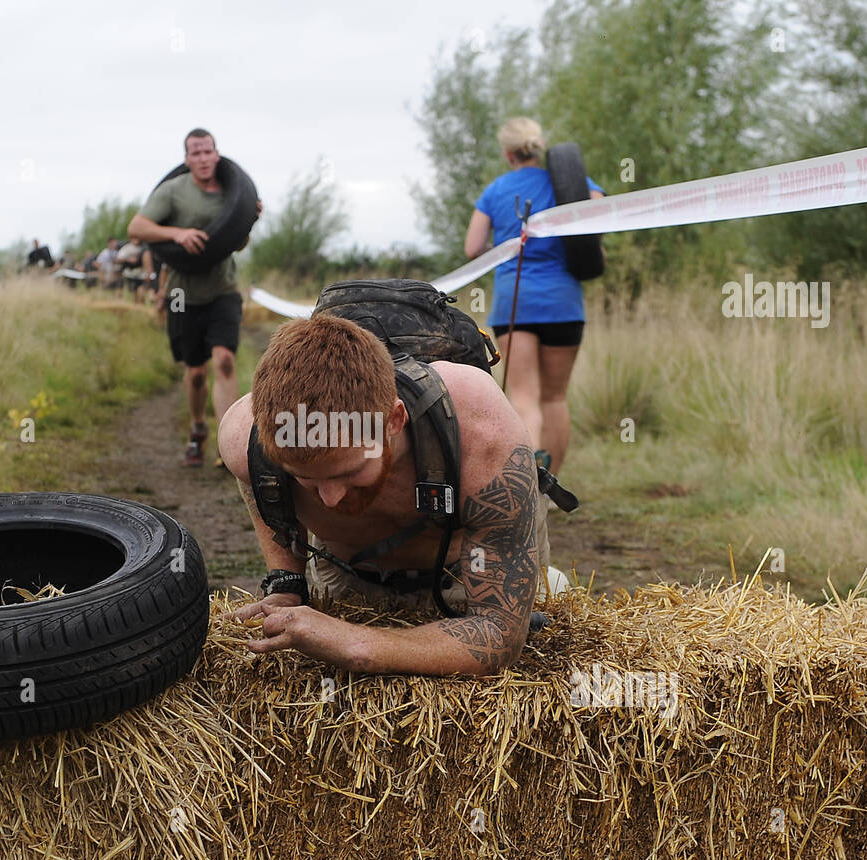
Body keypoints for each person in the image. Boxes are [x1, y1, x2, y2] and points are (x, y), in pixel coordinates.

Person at [217, 314, 545, 677]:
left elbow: (499, 634)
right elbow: (259, 485)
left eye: (349, 472)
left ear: (393, 421)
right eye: (305, 478)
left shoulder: (483, 436)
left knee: (548, 598)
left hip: (465, 573)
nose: (329, 498)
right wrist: (286, 580)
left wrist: (356, 644)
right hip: (349, 574)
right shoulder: (244, 441)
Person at [463, 117, 604, 479]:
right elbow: (598, 209)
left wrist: (505, 240)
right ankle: (552, 488)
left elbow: (472, 247)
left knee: (523, 397)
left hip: (516, 304)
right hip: (563, 302)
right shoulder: (566, 182)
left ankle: (527, 490)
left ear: (509, 153)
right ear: (537, 148)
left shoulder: (496, 190)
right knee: (555, 397)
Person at [128, 128, 257, 467]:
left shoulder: (232, 191)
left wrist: (248, 220)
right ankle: (198, 427)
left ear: (217, 154)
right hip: (182, 293)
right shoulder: (173, 192)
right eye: (195, 153)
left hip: (223, 289)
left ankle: (228, 445)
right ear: (187, 159)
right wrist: (177, 233)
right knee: (196, 370)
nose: (202, 158)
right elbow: (137, 228)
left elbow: (235, 244)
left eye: (207, 151)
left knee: (224, 360)